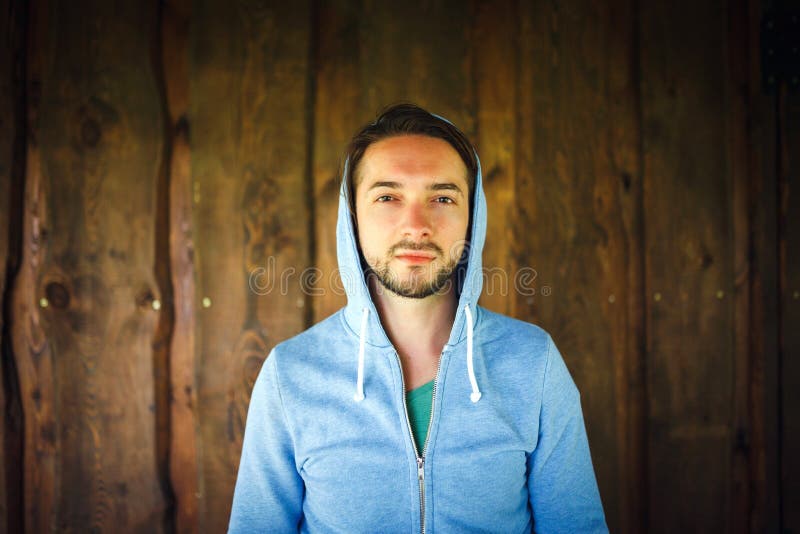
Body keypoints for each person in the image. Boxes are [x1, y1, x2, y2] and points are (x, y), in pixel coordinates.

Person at [229, 103, 608, 533]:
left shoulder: (533, 364)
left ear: (472, 217)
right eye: (388, 196)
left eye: (442, 197)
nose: (416, 225)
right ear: (353, 217)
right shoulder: (291, 376)